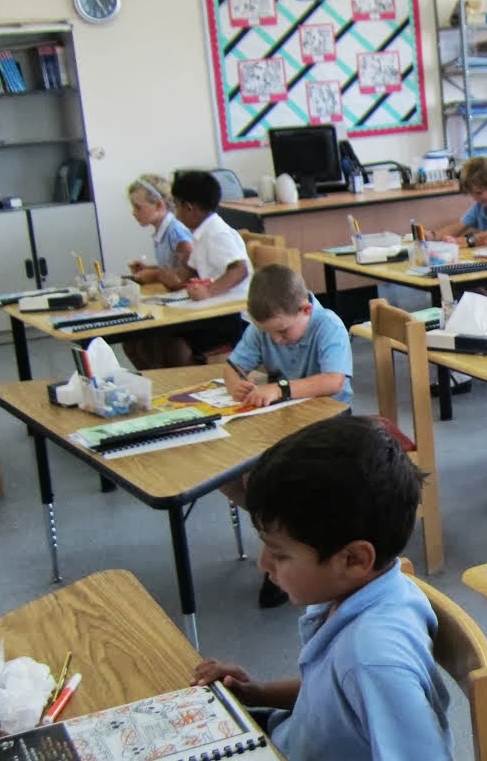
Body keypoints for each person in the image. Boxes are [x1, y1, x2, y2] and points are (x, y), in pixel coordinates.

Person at [189, 416, 460, 761]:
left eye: (282, 553)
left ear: (354, 559)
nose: (264, 563)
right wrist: (258, 693)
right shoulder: (360, 595)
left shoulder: (375, 655)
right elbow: (335, 699)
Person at [220, 263, 355, 607]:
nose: (277, 340)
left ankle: (286, 549)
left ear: (305, 309)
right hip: (284, 423)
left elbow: (333, 381)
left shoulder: (328, 325)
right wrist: (236, 382)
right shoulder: (266, 327)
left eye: (283, 332)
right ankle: (290, 535)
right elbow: (233, 365)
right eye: (271, 334)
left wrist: (280, 388)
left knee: (261, 478)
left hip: (331, 425)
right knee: (227, 475)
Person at [126, 169, 250, 369]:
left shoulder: (217, 233)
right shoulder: (200, 233)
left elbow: (239, 269)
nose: (175, 212)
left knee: (173, 344)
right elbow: (187, 272)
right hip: (212, 311)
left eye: (176, 206)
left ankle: (183, 385)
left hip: (233, 317)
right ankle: (161, 386)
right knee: (147, 337)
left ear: (189, 208)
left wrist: (209, 290)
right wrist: (162, 275)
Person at [124, 174, 191, 283]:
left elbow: (189, 272)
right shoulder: (161, 231)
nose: (133, 213)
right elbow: (171, 268)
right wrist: (148, 270)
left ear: (159, 205)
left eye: (138, 207)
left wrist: (155, 275)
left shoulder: (176, 231)